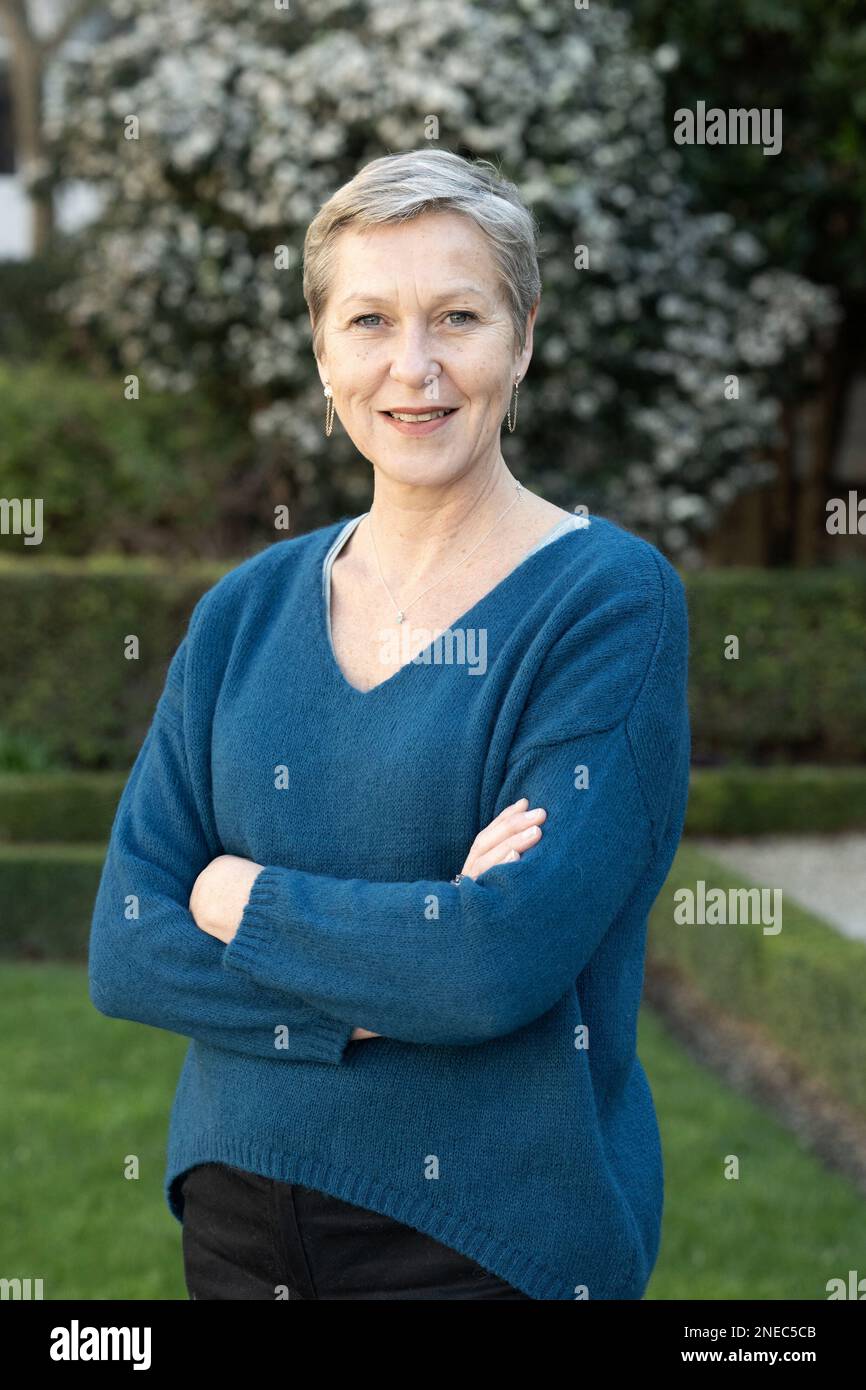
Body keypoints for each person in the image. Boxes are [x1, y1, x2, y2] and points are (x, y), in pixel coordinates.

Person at [88, 147, 690, 1300]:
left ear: (520, 337)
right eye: (368, 320)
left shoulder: (607, 600)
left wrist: (239, 897)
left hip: (483, 1237)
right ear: (322, 354)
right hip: (234, 1211)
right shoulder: (243, 612)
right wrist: (386, 978)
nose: (412, 368)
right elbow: (128, 948)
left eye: (456, 315)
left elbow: (489, 962)